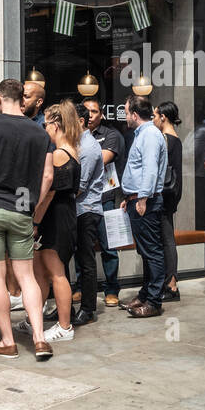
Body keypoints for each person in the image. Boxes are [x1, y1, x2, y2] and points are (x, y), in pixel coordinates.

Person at [0, 79, 54, 360]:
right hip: (21, 209)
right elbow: (47, 176)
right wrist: (33, 205)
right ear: (22, 100)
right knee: (27, 277)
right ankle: (40, 339)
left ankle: (7, 341)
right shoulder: (41, 133)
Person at [28, 102, 81, 343]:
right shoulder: (71, 149)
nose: (44, 127)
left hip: (57, 217)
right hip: (61, 214)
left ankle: (64, 326)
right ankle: (35, 319)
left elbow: (49, 193)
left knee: (57, 272)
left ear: (56, 125)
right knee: (41, 270)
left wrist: (35, 221)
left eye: (46, 123)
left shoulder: (60, 154)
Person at [118, 94, 168, 318]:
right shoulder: (144, 134)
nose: (126, 116)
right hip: (137, 198)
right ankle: (146, 294)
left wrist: (142, 198)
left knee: (153, 252)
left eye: (127, 112)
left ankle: (154, 301)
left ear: (135, 115)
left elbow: (150, 169)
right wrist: (129, 197)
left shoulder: (149, 135)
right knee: (146, 251)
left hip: (145, 200)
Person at [83, 98, 125, 307]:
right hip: (82, 199)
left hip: (105, 199)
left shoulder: (111, 135)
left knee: (109, 248)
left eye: (94, 111)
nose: (90, 115)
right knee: (83, 247)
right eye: (87, 111)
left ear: (101, 114)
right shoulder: (75, 136)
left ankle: (111, 289)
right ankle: (82, 288)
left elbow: (102, 158)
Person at [71, 102, 106, 326]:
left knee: (86, 261)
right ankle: (69, 306)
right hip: (78, 210)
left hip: (87, 210)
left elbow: (80, 186)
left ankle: (88, 309)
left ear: (80, 122)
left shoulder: (89, 148)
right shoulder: (78, 144)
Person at [154, 101, 184, 301]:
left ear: (163, 117)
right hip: (172, 192)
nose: (154, 119)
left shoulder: (164, 138)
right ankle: (169, 282)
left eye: (155, 116)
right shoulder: (176, 138)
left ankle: (171, 285)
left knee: (166, 239)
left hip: (164, 193)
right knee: (167, 237)